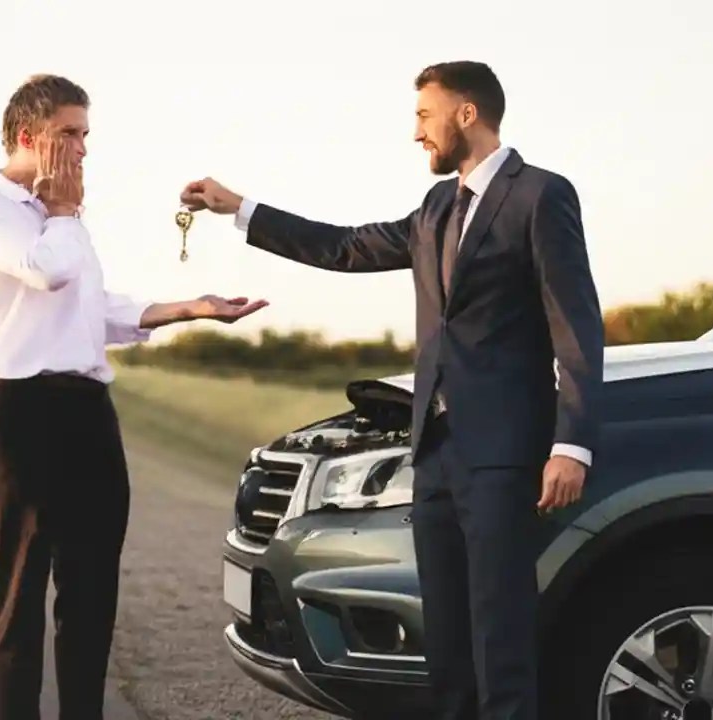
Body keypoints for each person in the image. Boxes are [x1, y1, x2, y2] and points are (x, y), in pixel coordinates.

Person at [180, 61, 603, 720]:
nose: (416, 134)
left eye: (423, 116)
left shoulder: (540, 197)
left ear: (466, 112)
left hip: (503, 455)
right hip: (433, 455)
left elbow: (574, 326)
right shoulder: (435, 208)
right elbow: (346, 246)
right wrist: (242, 209)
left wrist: (571, 444)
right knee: (448, 650)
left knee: (503, 639)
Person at [0, 73, 267, 720]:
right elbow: (47, 273)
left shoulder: (58, 214)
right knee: (18, 600)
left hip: (87, 417)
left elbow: (91, 307)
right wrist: (65, 212)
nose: (84, 150)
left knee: (92, 597)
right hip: (16, 417)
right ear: (27, 136)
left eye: (86, 134)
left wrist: (192, 308)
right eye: (70, 134)